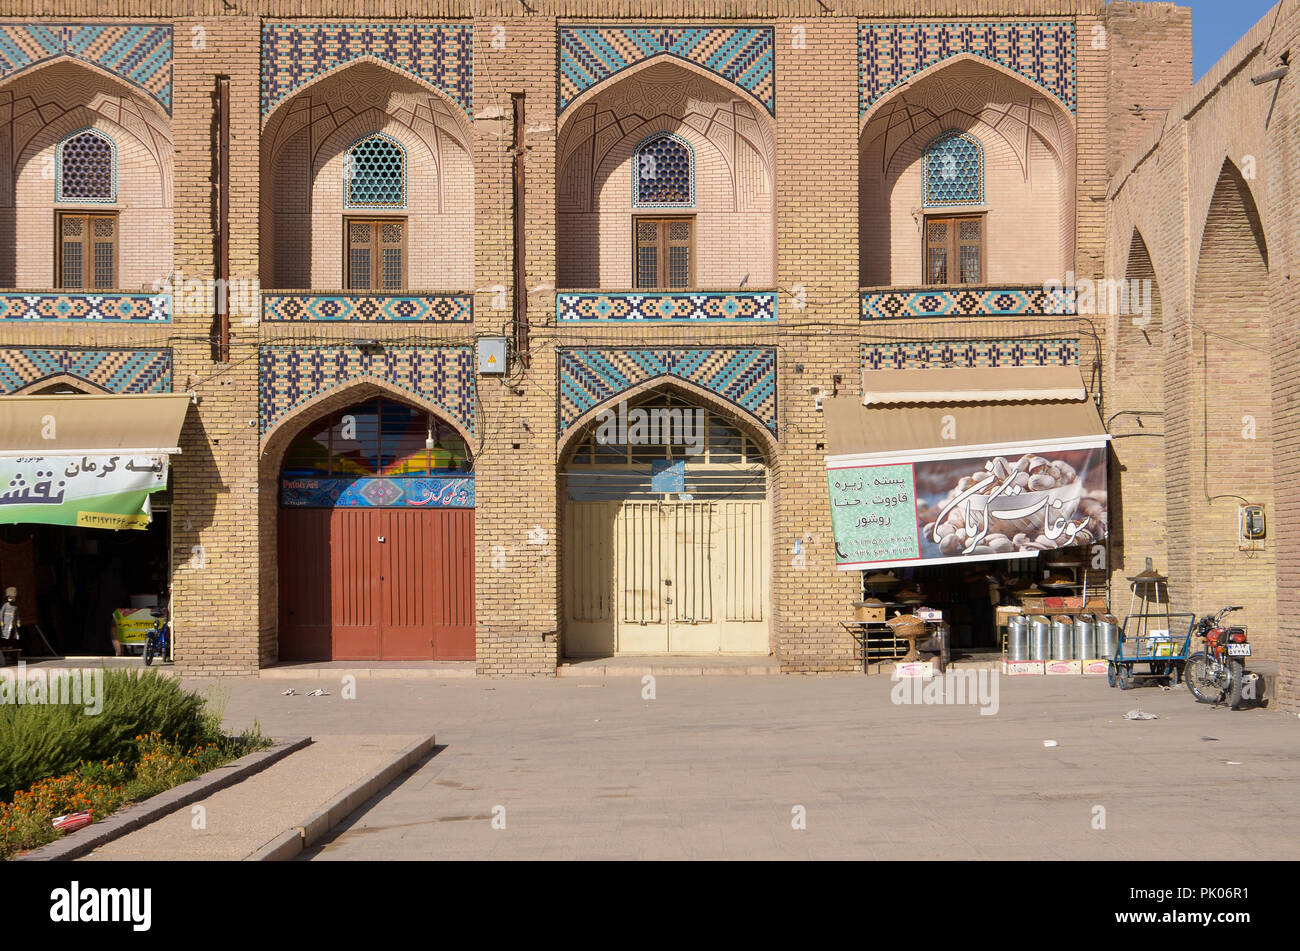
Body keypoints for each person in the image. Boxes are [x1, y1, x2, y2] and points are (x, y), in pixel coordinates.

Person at [1, 586, 20, 660]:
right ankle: (4, 646)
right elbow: (1, 613)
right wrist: (1, 621)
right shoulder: (5, 606)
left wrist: (18, 621)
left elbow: (17, 615)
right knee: (5, 635)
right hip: (6, 623)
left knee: (12, 635)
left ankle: (10, 647)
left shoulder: (15, 607)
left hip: (13, 624)